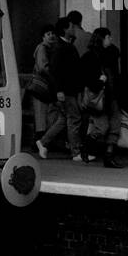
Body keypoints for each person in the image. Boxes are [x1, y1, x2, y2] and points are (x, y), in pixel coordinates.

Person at [37, 17, 84, 161]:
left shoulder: (64, 45)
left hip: (67, 89)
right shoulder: (60, 47)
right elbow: (55, 71)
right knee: (74, 118)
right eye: (71, 27)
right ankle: (75, 152)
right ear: (65, 29)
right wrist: (59, 90)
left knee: (64, 119)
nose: (73, 29)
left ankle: (43, 142)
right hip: (66, 90)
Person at [79, 27, 123, 168]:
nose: (111, 39)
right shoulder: (89, 57)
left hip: (113, 95)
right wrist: (100, 81)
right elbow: (85, 79)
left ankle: (109, 156)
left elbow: (117, 52)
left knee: (115, 126)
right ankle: (86, 145)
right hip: (98, 97)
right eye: (108, 37)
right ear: (101, 39)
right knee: (102, 127)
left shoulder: (110, 54)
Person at [30, 24, 58, 137]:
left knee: (43, 116)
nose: (51, 36)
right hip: (41, 87)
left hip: (44, 87)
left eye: (52, 33)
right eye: (48, 34)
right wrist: (53, 73)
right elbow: (42, 68)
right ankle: (39, 141)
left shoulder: (50, 48)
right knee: (41, 116)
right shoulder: (42, 48)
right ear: (43, 37)